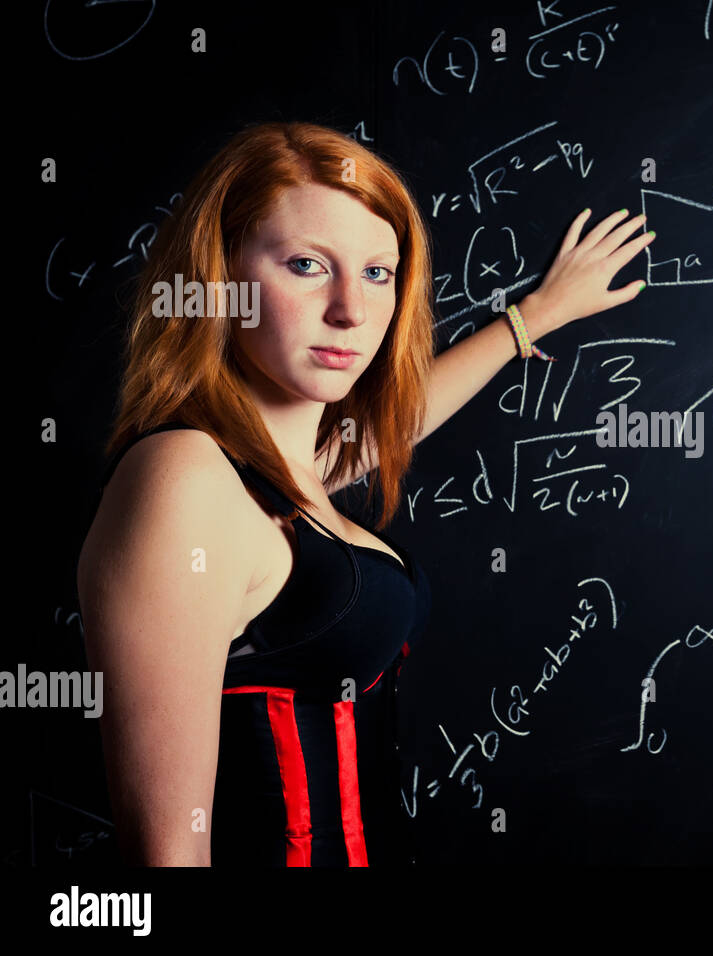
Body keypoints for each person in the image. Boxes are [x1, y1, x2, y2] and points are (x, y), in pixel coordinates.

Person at [76, 121, 654, 866]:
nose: (351, 310)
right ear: (219, 277)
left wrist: (533, 318)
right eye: (307, 265)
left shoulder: (286, 476)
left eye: (379, 273)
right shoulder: (185, 478)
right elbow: (164, 857)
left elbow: (390, 427)